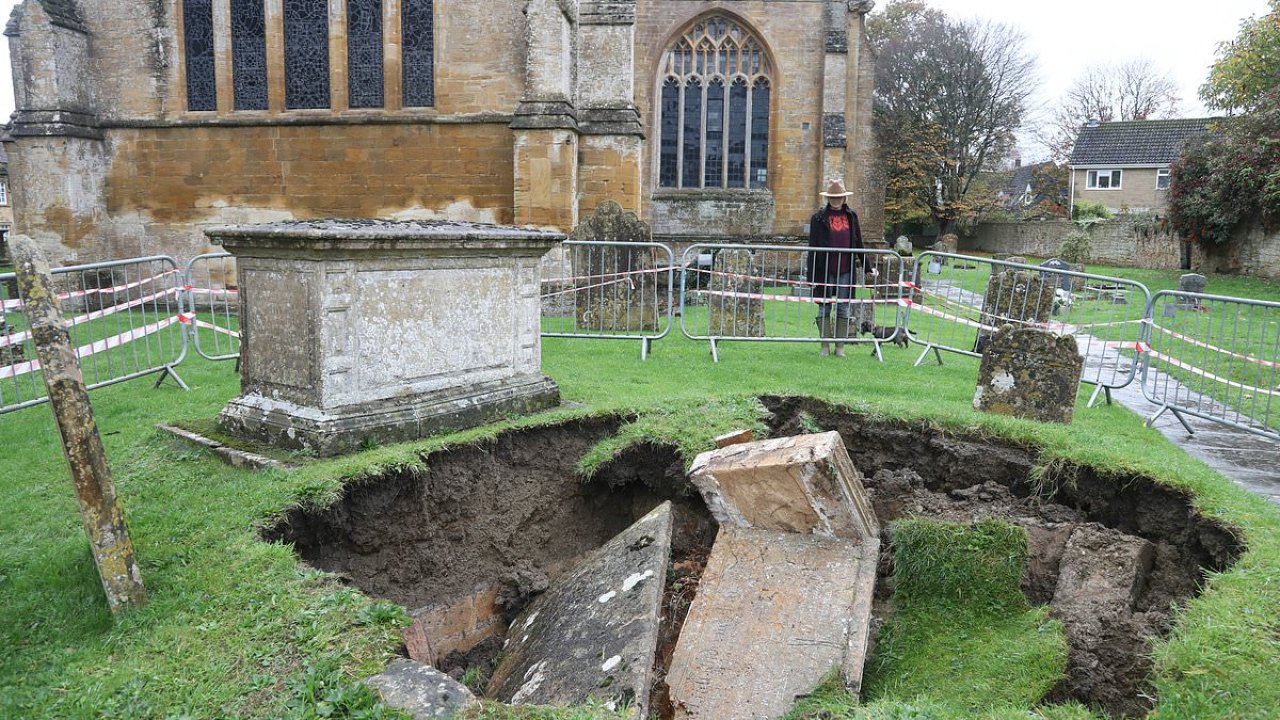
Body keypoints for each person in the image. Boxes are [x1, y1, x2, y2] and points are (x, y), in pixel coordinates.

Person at [808, 178, 875, 357]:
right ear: (828, 199)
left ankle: (840, 348)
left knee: (844, 307)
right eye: (832, 198)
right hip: (825, 269)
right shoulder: (818, 218)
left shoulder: (851, 216)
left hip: (845, 269)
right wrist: (811, 276)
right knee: (824, 307)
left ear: (844, 199)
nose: (836, 201)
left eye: (839, 198)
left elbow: (858, 242)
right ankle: (824, 346)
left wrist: (867, 266)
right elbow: (812, 247)